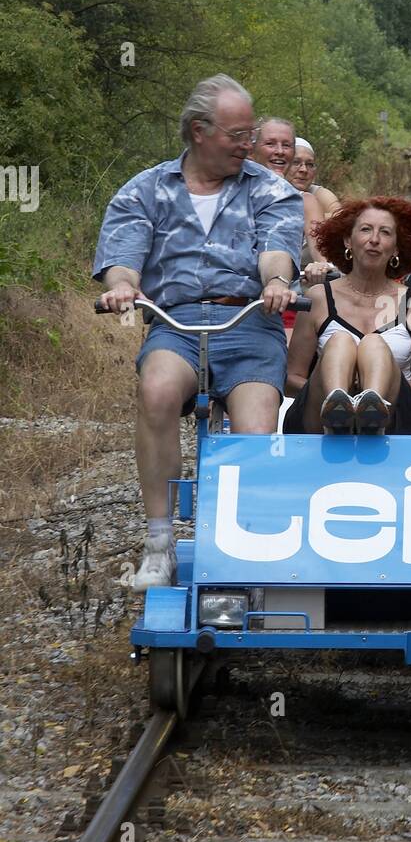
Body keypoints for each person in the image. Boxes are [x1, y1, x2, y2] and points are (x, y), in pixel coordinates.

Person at [93, 74, 304, 591]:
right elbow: (122, 259)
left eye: (250, 134)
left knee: (255, 428)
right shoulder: (144, 189)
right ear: (197, 131)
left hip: (249, 322)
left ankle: (247, 543)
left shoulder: (271, 189)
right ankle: (159, 543)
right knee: (158, 390)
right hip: (177, 325)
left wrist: (276, 281)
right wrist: (123, 287)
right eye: (237, 135)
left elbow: (277, 249)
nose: (248, 145)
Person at [284, 197, 411, 435]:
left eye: (385, 232)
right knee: (340, 341)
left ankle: (372, 411)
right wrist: (330, 384)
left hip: (395, 416)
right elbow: (290, 380)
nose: (374, 239)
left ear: (396, 247)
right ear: (348, 240)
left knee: (374, 344)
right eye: (365, 230)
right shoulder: (319, 297)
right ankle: (337, 410)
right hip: (317, 418)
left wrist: (382, 382)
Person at [253, 119, 327, 266]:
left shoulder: (305, 201)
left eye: (286, 145)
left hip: (285, 284)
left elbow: (323, 257)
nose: (279, 151)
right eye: (270, 144)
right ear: (253, 150)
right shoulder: (235, 194)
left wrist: (320, 267)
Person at [287, 137, 341, 218]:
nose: (304, 170)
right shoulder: (268, 192)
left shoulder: (318, 193)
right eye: (296, 162)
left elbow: (341, 216)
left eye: (310, 164)